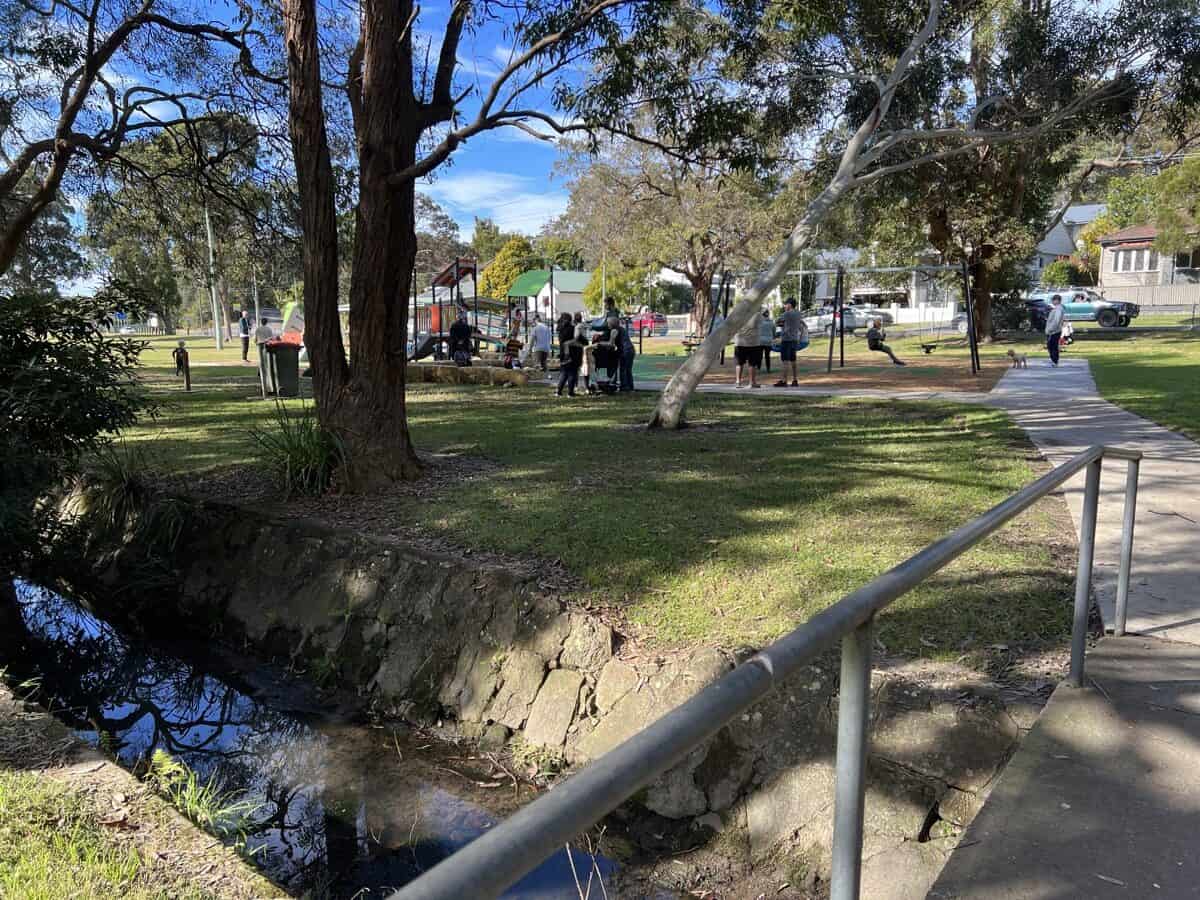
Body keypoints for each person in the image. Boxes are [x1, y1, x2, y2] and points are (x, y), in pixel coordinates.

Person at [775, 298, 808, 387]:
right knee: (793, 360)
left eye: (786, 304)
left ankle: (784, 380)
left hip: (786, 340)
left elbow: (777, 321)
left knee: (785, 361)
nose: (785, 306)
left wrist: (781, 323)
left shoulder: (786, 314)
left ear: (790, 304)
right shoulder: (798, 314)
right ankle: (795, 380)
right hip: (794, 339)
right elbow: (802, 324)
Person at [733, 309, 763, 388]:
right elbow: (760, 324)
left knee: (739, 363)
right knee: (752, 363)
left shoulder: (738, 314)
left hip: (739, 342)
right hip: (753, 342)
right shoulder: (757, 314)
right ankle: (752, 382)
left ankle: (738, 381)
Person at [556, 313, 581, 396]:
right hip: (573, 353)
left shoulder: (560, 330)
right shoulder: (573, 329)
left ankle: (558, 391)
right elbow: (580, 339)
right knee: (572, 373)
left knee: (564, 372)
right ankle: (570, 392)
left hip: (563, 353)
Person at [572, 311, 595, 394]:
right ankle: (587, 387)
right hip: (585, 347)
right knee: (586, 368)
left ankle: (576, 386)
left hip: (579, 348)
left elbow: (576, 337)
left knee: (576, 368)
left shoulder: (578, 327)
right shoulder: (584, 325)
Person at [1044, 294, 1065, 367]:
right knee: (1051, 346)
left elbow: (1057, 321)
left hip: (1054, 331)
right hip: (1053, 330)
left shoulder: (1059, 309)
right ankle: (1054, 361)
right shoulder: (1056, 308)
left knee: (1052, 346)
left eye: (1053, 300)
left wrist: (1050, 330)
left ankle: (1055, 361)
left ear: (1057, 300)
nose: (1052, 301)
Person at [758, 308, 775, 373]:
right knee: (767, 356)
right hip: (768, 341)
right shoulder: (772, 322)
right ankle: (768, 369)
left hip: (760, 341)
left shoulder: (759, 322)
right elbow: (774, 332)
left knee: (759, 355)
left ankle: (758, 367)